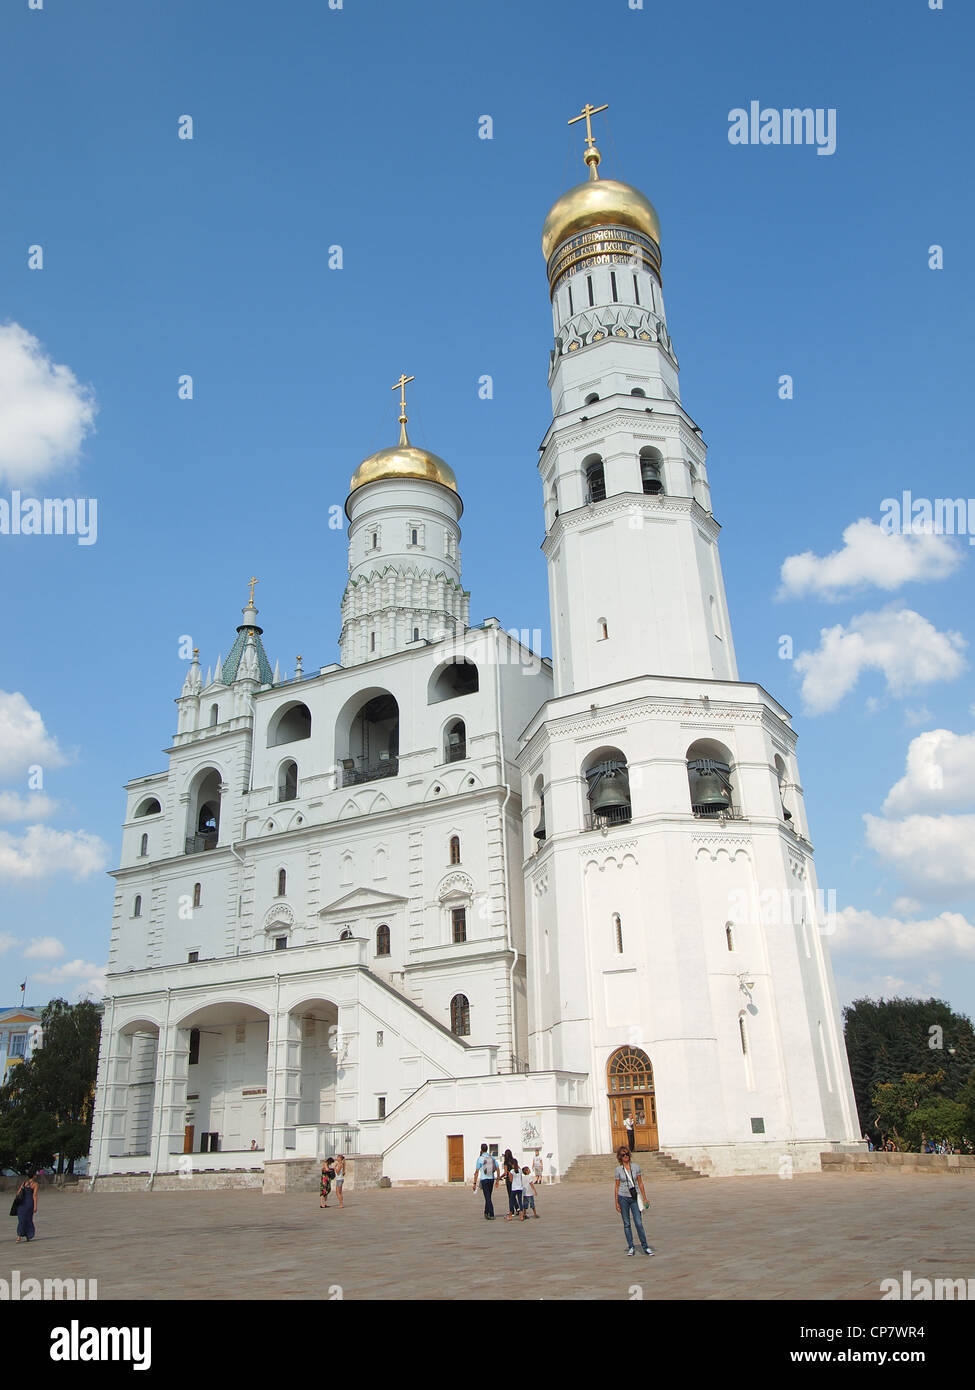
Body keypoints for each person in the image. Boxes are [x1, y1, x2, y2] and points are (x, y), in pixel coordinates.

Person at [614, 1146, 653, 1257]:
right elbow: (616, 1186)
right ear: (619, 1157)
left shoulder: (636, 1167)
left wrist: (645, 1197)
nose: (625, 1156)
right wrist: (616, 1201)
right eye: (623, 1155)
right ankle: (631, 1246)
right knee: (627, 1224)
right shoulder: (618, 1170)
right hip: (623, 1197)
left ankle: (645, 1246)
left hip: (634, 1197)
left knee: (639, 1223)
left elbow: (640, 1183)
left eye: (626, 1154)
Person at [472, 1143, 499, 1219]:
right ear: (487, 1149)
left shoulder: (480, 1159)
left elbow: (476, 1172)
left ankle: (491, 1214)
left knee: (487, 1197)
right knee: (488, 1196)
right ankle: (486, 1212)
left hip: (484, 1179)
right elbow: (497, 1168)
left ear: (481, 1149)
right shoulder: (492, 1157)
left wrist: (474, 1183)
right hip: (491, 1179)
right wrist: (497, 1179)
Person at [14, 1171, 39, 1243]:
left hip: (21, 1203)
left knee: (21, 1220)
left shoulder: (24, 1183)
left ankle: (19, 1236)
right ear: (34, 1176)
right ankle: (28, 1235)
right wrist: (35, 1206)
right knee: (28, 1219)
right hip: (29, 1203)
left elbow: (18, 1193)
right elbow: (34, 1196)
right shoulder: (35, 1184)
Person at [502, 1149, 518, 1216]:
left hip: (509, 1180)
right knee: (514, 1194)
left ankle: (512, 1210)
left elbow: (505, 1173)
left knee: (510, 1195)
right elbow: (518, 1168)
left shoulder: (506, 1162)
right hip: (514, 1179)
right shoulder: (514, 1161)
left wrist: (499, 1177)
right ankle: (517, 1208)